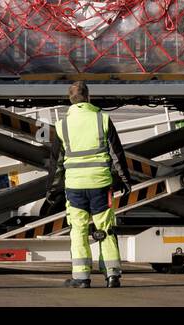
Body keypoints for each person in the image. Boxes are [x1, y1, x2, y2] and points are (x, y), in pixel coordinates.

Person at [47, 81, 131, 288]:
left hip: (75, 186)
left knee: (78, 230)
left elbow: (56, 162)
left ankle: (82, 277)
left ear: (70, 99)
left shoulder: (62, 125)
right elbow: (116, 154)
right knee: (106, 227)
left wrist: (51, 189)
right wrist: (126, 181)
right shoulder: (102, 119)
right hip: (100, 184)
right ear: (89, 97)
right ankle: (112, 275)